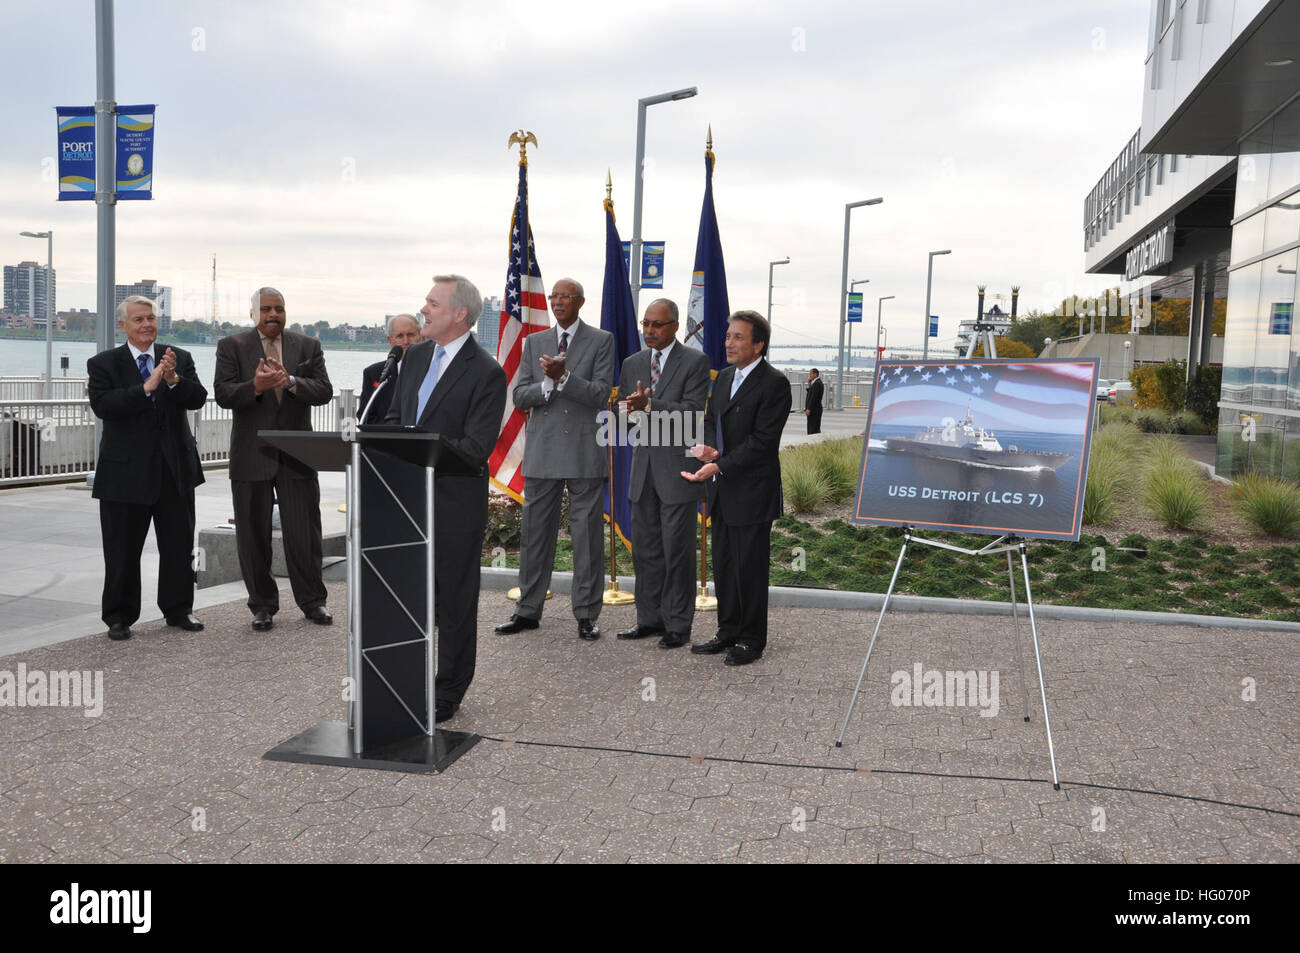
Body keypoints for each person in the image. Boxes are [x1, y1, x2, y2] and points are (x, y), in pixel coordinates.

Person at [382, 274, 507, 722]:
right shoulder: (413, 357)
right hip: (407, 498)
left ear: (459, 314)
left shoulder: (488, 372)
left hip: (454, 501)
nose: (424, 309)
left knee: (453, 601)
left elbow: (477, 447)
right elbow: (397, 418)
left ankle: (448, 689)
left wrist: (423, 445)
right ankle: (403, 674)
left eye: (433, 303)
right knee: (409, 595)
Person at [495, 278, 614, 641]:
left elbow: (600, 394)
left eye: (566, 297)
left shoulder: (601, 340)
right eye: (555, 297)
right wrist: (547, 387)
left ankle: (586, 615)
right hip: (543, 454)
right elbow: (519, 395)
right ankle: (527, 611)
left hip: (584, 453)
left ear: (580, 302)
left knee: (587, 538)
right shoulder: (534, 342)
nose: (559, 302)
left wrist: (564, 378)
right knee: (534, 537)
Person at [87, 295, 208, 641]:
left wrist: (172, 380)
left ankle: (179, 609)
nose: (147, 325)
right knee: (122, 549)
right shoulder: (104, 364)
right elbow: (104, 405)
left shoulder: (178, 358)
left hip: (175, 470)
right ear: (123, 325)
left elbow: (198, 397)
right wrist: (146, 387)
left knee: (178, 545)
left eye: (151, 318)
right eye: (139, 319)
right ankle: (119, 616)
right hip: (124, 474)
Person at [213, 287, 334, 632]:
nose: (273, 315)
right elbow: (223, 395)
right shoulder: (231, 347)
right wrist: (257, 385)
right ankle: (262, 606)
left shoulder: (307, 346)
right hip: (251, 455)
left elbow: (323, 391)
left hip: (297, 456)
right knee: (252, 536)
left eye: (278, 309)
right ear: (253, 314)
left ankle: (313, 602)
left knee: (304, 535)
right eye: (266, 309)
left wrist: (292, 381)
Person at [681, 310, 791, 666]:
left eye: (738, 337)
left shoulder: (775, 383)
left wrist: (720, 463)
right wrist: (710, 449)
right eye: (728, 336)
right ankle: (727, 631)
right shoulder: (725, 377)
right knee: (725, 564)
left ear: (759, 345)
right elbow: (712, 421)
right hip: (723, 490)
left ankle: (750, 639)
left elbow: (762, 442)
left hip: (753, 491)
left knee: (750, 569)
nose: (729, 342)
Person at [615, 298, 711, 649]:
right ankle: (649, 619)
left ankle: (677, 626)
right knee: (646, 551)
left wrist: (651, 405)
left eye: (657, 325)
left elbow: (690, 414)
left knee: (677, 553)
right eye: (646, 324)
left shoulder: (695, 362)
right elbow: (625, 413)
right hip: (643, 472)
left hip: (678, 473)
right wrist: (628, 411)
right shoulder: (633, 363)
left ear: (674, 326)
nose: (649, 331)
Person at [358, 313, 420, 423]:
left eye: (410, 335)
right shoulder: (374, 373)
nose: (406, 341)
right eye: (400, 336)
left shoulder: (432, 369)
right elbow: (365, 415)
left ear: (420, 337)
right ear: (390, 340)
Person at [805, 367, 824, 434]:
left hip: (814, 409)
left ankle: (812, 442)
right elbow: (812, 393)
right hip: (815, 409)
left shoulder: (817, 384)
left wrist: (809, 409)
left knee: (813, 428)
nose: (809, 376)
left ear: (815, 374)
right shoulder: (816, 383)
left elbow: (813, 397)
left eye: (811, 374)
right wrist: (810, 385)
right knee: (814, 427)